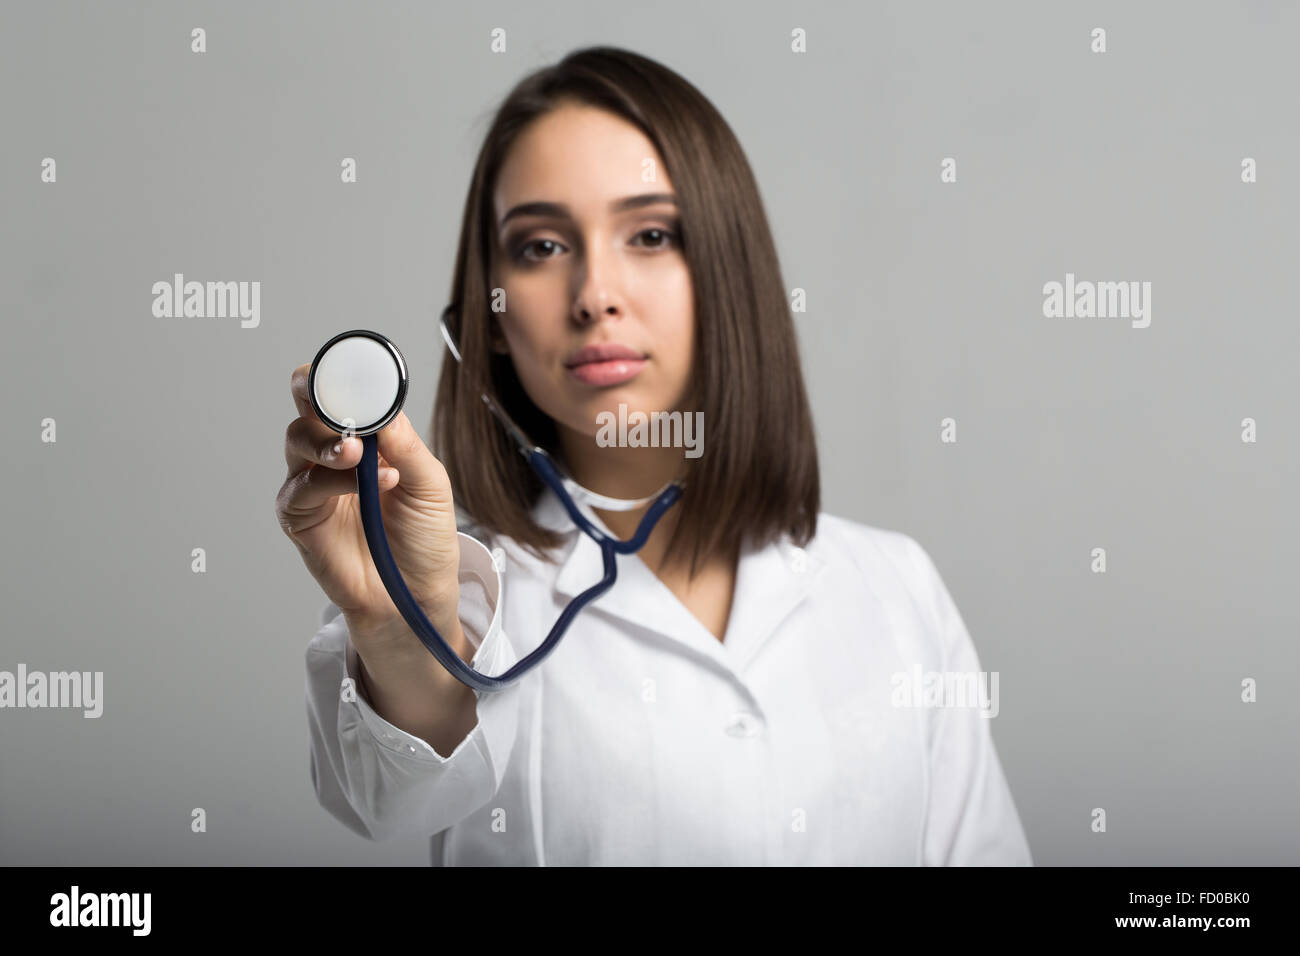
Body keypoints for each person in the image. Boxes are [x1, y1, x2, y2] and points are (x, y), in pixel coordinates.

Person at [275, 46, 1032, 866]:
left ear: (726, 275)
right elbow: (393, 798)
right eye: (539, 247)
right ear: (488, 317)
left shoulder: (895, 588)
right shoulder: (463, 599)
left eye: (650, 233)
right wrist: (396, 633)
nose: (595, 291)